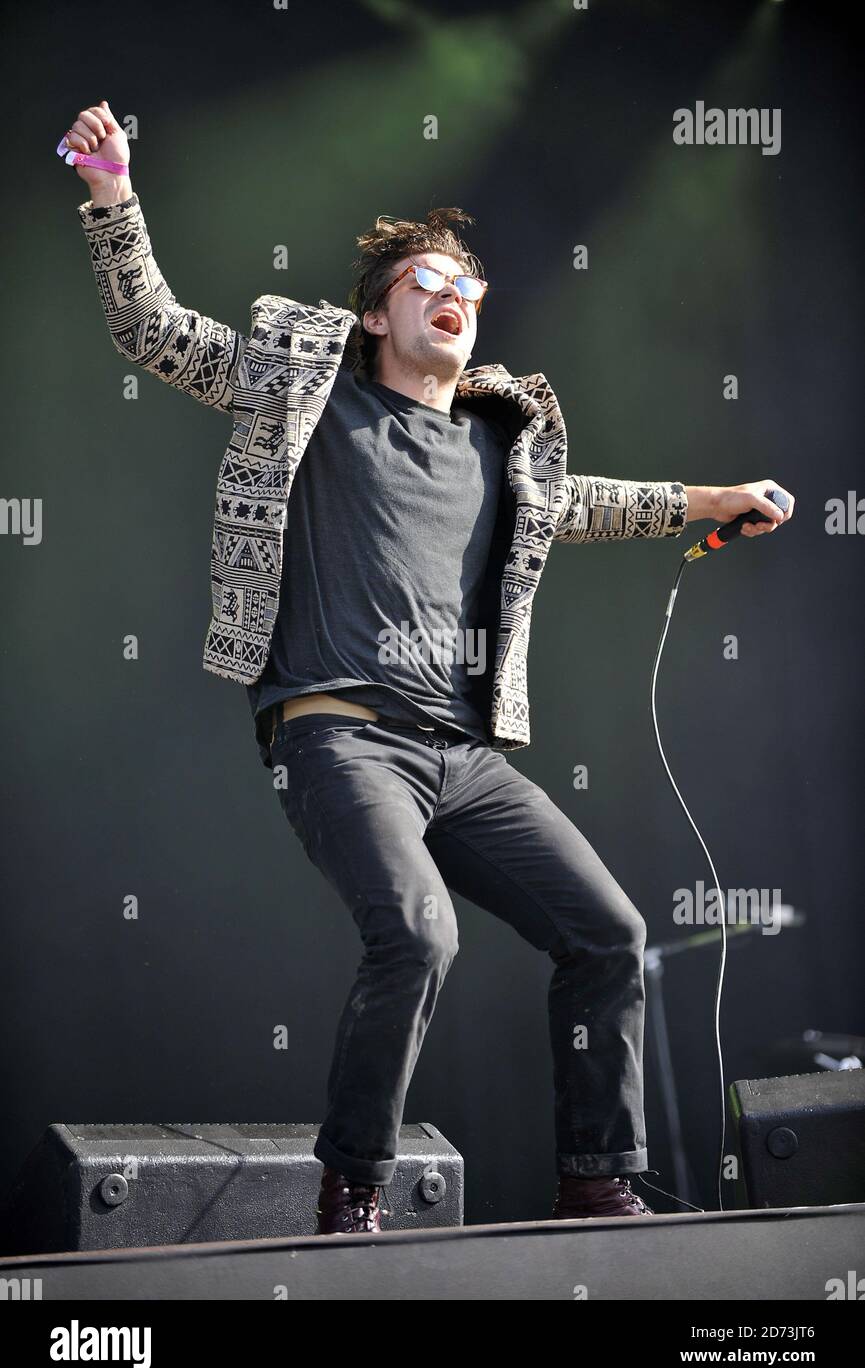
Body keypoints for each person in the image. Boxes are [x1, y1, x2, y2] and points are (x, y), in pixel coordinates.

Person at [67, 101, 795, 1235]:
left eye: (465, 282)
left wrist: (714, 501)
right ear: (373, 313)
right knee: (415, 931)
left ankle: (596, 1181)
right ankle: (352, 1187)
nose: (450, 292)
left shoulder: (500, 444)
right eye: (421, 278)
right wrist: (113, 193)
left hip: (460, 756)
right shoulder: (307, 394)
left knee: (609, 933)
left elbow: (590, 502)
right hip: (340, 733)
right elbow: (153, 329)